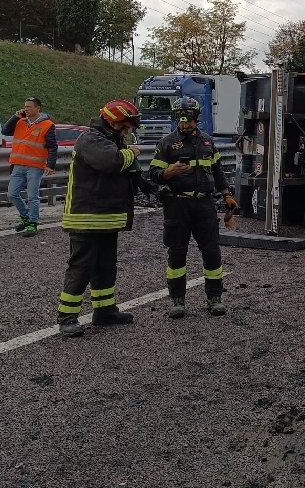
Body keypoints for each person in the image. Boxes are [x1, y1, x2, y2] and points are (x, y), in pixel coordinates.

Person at [55, 100, 142, 338]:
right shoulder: (91, 139)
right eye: (125, 125)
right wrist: (131, 153)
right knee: (81, 268)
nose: (128, 131)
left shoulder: (112, 140)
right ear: (112, 120)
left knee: (105, 268)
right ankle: (67, 317)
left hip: (107, 217)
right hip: (86, 218)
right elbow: (112, 163)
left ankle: (104, 311)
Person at [148, 96, 236, 319]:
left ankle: (214, 298)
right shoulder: (166, 143)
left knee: (211, 250)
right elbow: (153, 175)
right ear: (176, 119)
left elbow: (217, 170)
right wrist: (170, 172)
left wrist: (226, 195)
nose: (185, 124)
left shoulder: (207, 142)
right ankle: (177, 301)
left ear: (197, 118)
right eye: (181, 119)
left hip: (204, 204)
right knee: (177, 252)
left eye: (189, 120)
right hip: (177, 203)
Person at [2, 97, 57, 237]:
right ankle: (26, 217)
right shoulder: (20, 121)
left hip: (35, 166)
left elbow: (52, 147)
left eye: (29, 107)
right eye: (25, 106)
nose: (26, 109)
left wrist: (50, 165)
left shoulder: (47, 125)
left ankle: (32, 224)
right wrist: (14, 117)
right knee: (12, 194)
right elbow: (5, 131)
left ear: (38, 108)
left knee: (32, 196)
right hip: (17, 165)